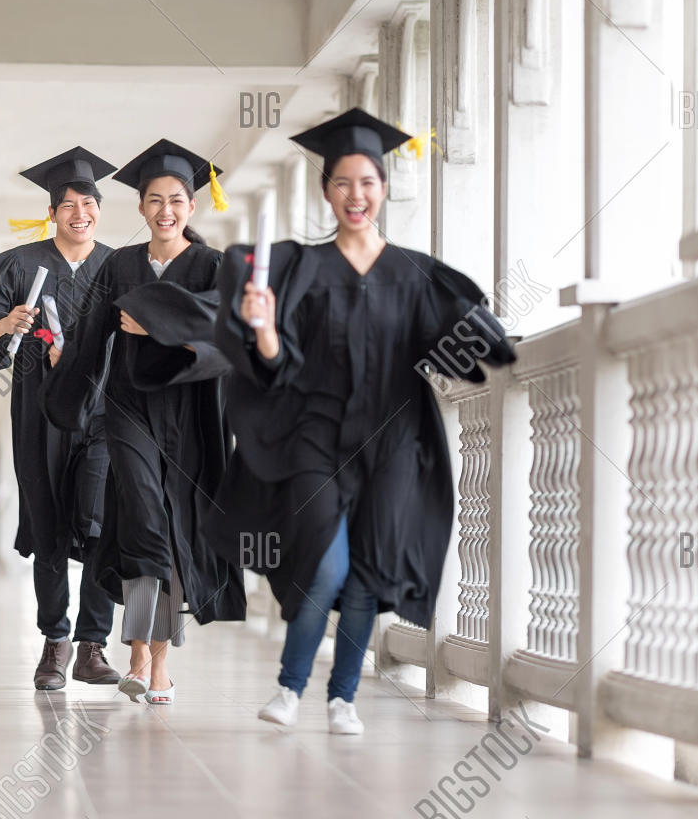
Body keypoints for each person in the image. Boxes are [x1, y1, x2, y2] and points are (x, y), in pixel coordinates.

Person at [211, 109, 515, 733]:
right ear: (327, 191)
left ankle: (342, 697)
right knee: (325, 560)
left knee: (369, 568)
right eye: (344, 183)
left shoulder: (414, 273)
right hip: (313, 435)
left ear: (382, 188)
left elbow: (454, 350)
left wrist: (472, 337)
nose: (356, 195)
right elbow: (274, 366)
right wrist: (264, 325)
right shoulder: (301, 269)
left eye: (368, 182)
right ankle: (292, 688)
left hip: (395, 435)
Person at [43, 138, 245, 706]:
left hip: (189, 414)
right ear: (139, 207)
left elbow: (230, 336)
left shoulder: (212, 266)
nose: (165, 210)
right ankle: (142, 661)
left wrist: (160, 328)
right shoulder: (120, 265)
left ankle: (151, 664)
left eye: (176, 199)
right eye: (154, 199)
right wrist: (67, 393)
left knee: (168, 528)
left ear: (191, 206)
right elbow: (88, 338)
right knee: (144, 520)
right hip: (129, 408)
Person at [0, 146, 122, 691]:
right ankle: (55, 644)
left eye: (88, 203)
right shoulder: (20, 265)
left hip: (104, 413)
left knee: (99, 523)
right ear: (53, 212)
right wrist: (7, 325)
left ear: (98, 209)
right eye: (68, 205)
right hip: (40, 409)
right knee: (48, 525)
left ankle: (93, 645)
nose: (79, 213)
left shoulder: (119, 266)